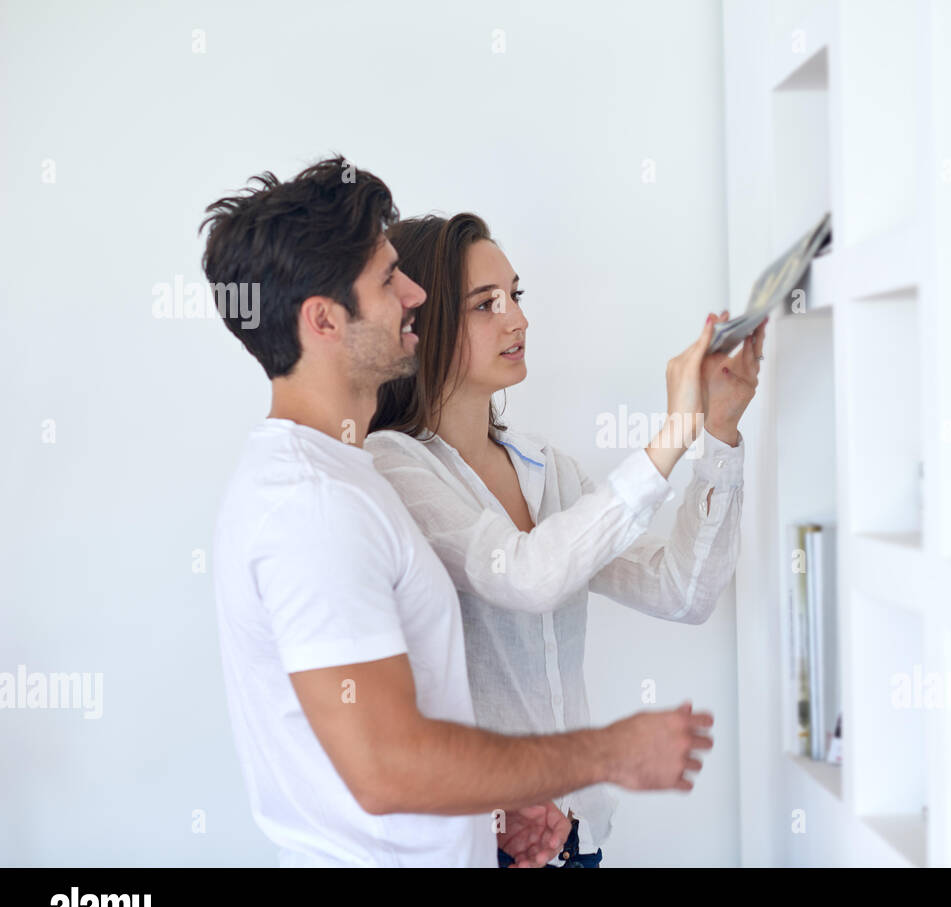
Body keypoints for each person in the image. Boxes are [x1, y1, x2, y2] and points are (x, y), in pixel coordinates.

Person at [203, 156, 714, 868]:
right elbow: (387, 766)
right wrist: (609, 751)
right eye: (388, 279)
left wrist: (491, 813)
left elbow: (394, 746)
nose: (413, 293)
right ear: (322, 320)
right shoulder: (318, 504)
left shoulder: (344, 479)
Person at [365, 212, 765, 866]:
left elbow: (681, 592)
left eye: (515, 296)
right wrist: (671, 433)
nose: (517, 320)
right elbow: (525, 573)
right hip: (483, 840)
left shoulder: (544, 466)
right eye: (485, 305)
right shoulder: (396, 465)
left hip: (579, 832)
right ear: (423, 322)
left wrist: (716, 433)